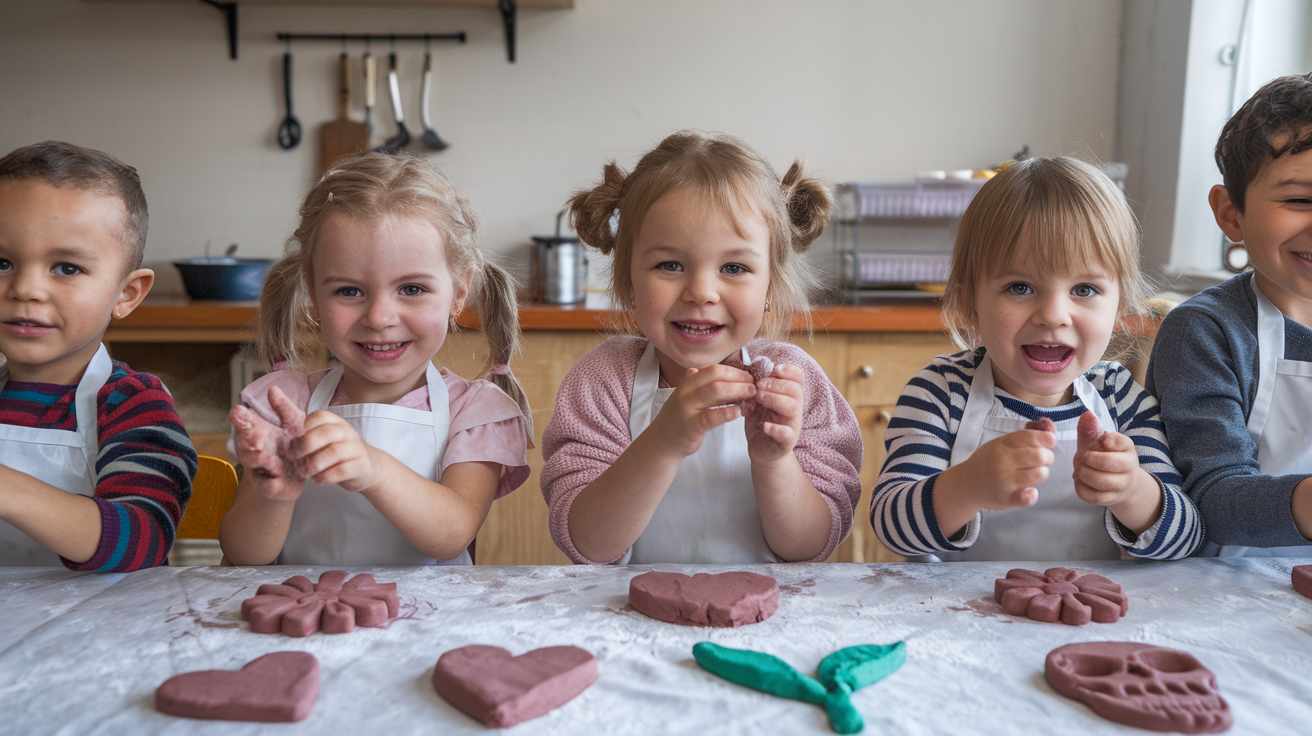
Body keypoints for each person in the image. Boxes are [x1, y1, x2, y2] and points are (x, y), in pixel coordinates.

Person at [540, 131, 863, 565]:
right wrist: (664, 441)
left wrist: (774, 461)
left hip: (765, 624)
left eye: (734, 267)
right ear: (628, 278)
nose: (701, 292)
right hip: (628, 621)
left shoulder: (794, 384)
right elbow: (589, 545)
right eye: (670, 265)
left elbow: (809, 547)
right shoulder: (603, 381)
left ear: (770, 284)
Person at [872, 156, 1201, 561]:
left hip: (1090, 618)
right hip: (958, 618)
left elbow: (1186, 538)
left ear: (1120, 309)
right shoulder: (940, 393)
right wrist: (968, 486)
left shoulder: (1121, 398)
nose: (1053, 315)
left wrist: (1133, 491)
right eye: (1021, 287)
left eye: (1084, 290)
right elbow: (890, 526)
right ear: (968, 301)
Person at [218, 153, 530, 566]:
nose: (380, 318)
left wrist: (374, 469)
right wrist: (274, 494)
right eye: (349, 291)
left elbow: (452, 535)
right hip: (304, 618)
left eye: (413, 289)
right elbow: (242, 555)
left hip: (428, 623)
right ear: (311, 293)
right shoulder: (280, 403)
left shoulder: (474, 411)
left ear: (458, 292)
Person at [0, 141, 197, 569]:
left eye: (67, 268)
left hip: (102, 633)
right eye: (2, 263)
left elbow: (144, 540)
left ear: (126, 295)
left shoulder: (132, 404)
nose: (25, 289)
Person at [1148, 72, 1312, 556]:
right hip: (1220, 595)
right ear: (1231, 214)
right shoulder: (1206, 332)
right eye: (1300, 199)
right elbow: (1207, 501)